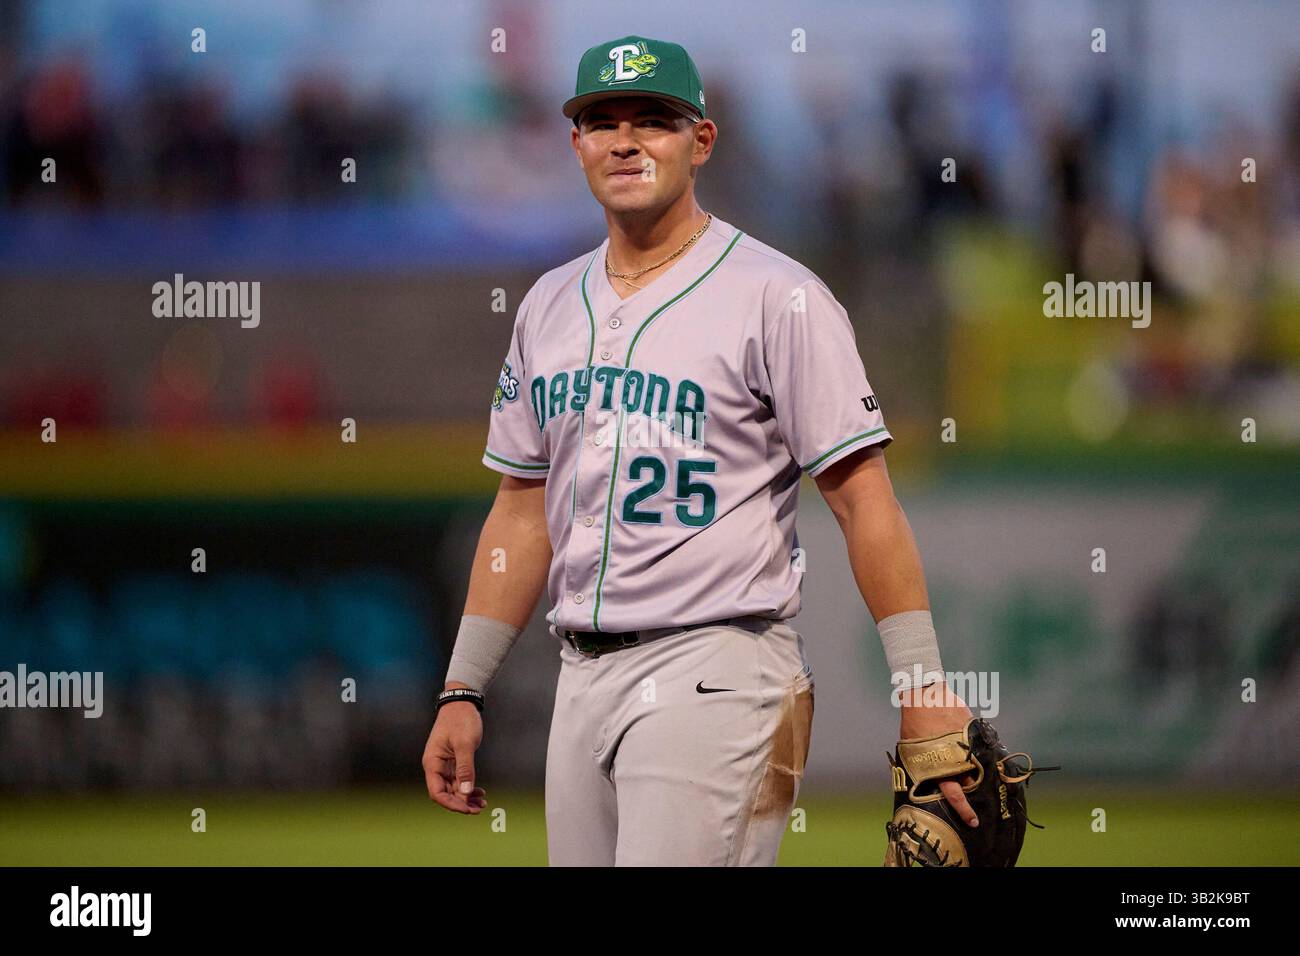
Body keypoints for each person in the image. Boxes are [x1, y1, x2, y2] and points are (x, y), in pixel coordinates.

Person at [421, 34, 976, 866]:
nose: (625, 140)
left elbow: (864, 498)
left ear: (701, 141)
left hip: (721, 670)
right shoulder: (545, 307)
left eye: (655, 120)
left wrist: (923, 685)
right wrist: (464, 686)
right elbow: (521, 509)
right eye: (601, 121)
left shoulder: (777, 297)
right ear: (575, 144)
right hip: (579, 677)